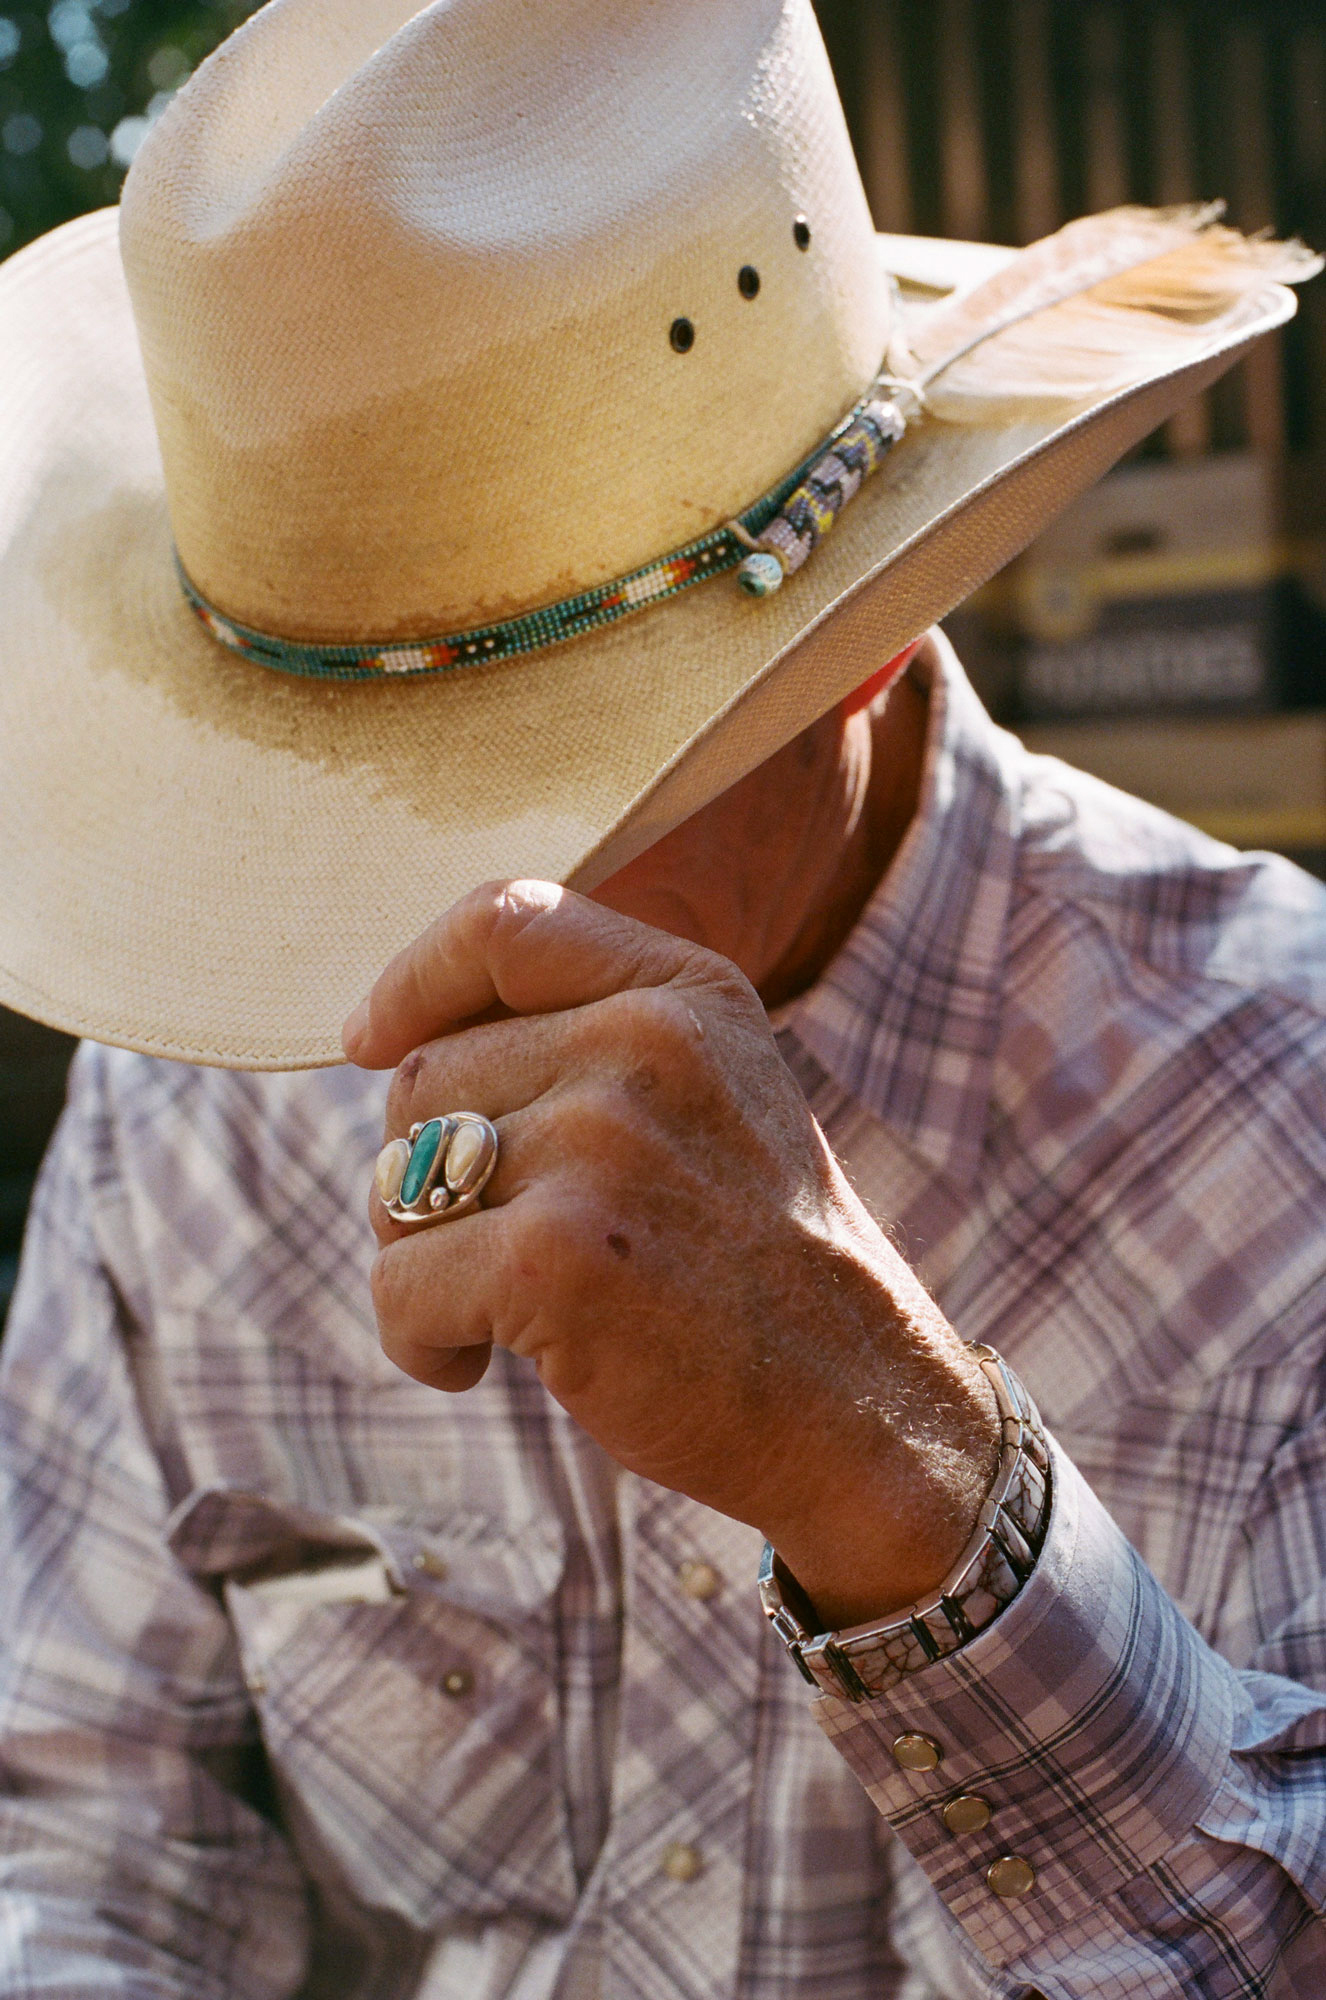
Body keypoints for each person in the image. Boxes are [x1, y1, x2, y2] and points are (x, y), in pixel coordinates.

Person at [0, 2, 1323, 1996]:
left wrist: (912, 1490)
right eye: (318, 792)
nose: (397, 931)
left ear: (864, 647)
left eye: (549, 775)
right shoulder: (191, 1113)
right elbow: (81, 1855)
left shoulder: (1281, 1105)